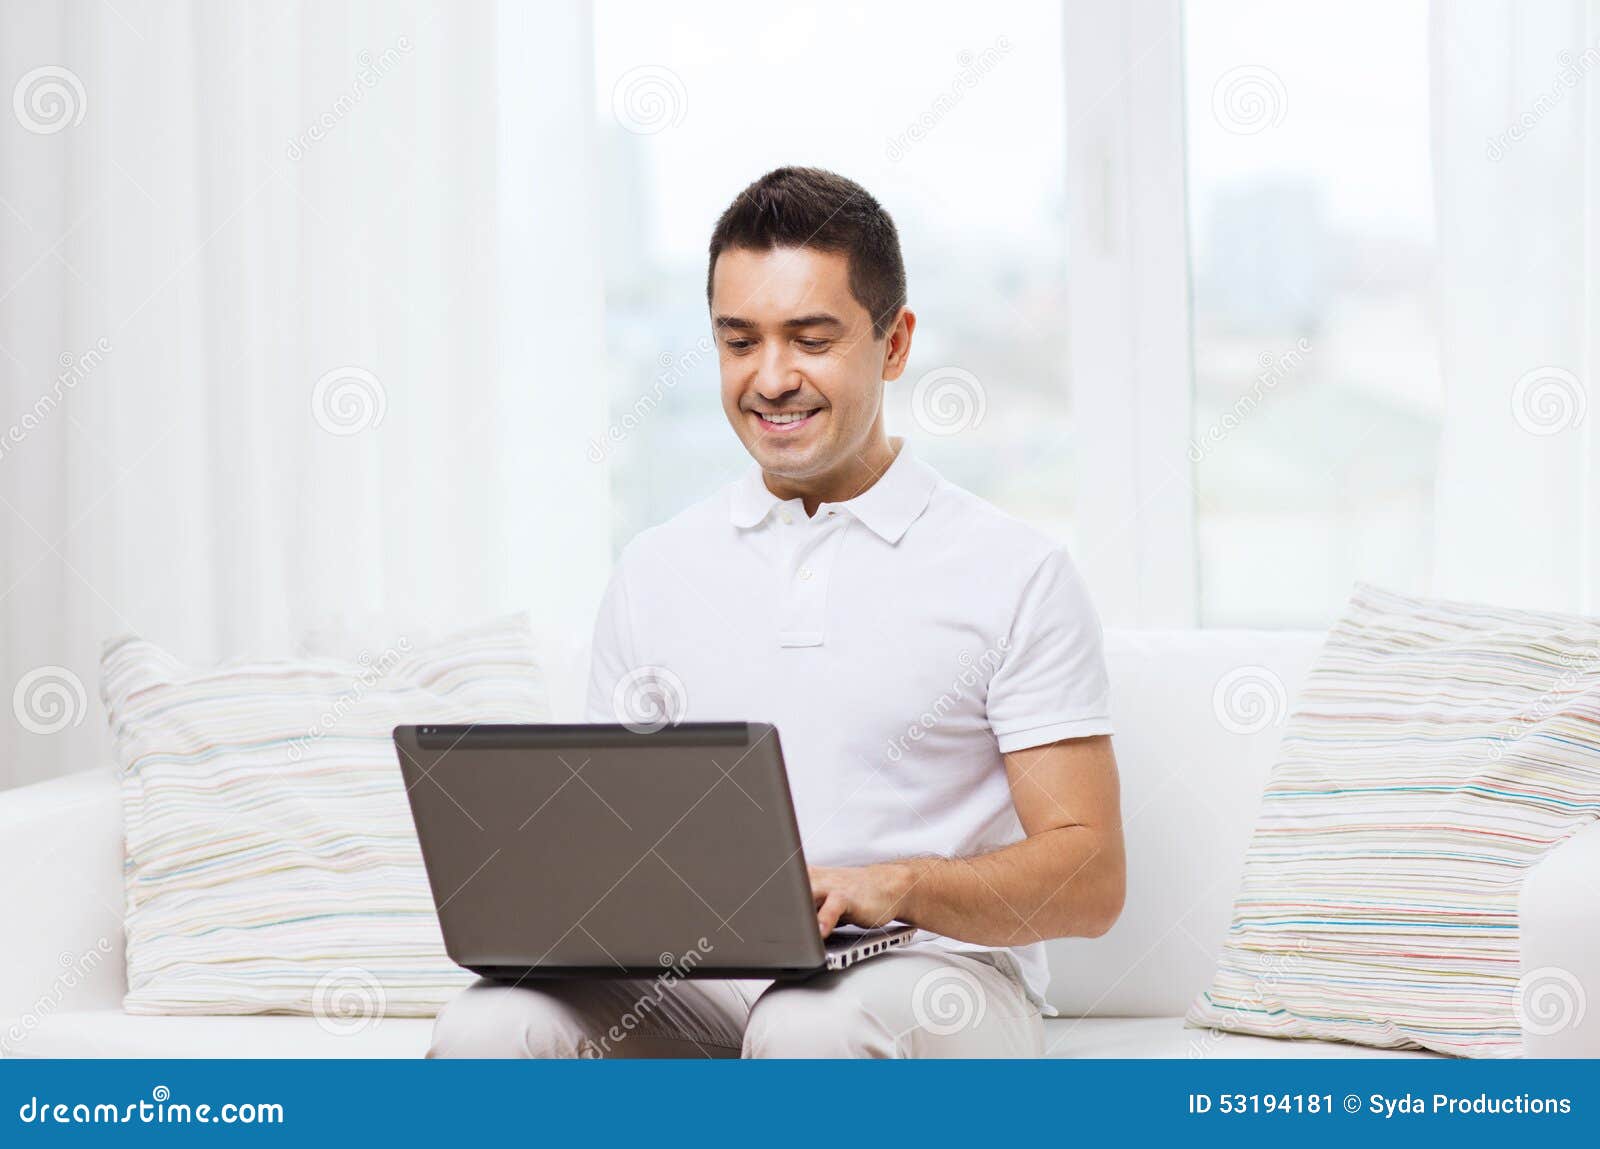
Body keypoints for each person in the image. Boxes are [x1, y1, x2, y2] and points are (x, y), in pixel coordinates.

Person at [429, 166, 1125, 1058]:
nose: (771, 378)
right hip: (702, 983)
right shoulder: (654, 570)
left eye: (810, 337)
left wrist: (898, 884)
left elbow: (1091, 875)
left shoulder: (1015, 571)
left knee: (806, 1025)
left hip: (936, 975)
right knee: (491, 1023)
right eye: (740, 340)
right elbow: (603, 848)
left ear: (895, 343)